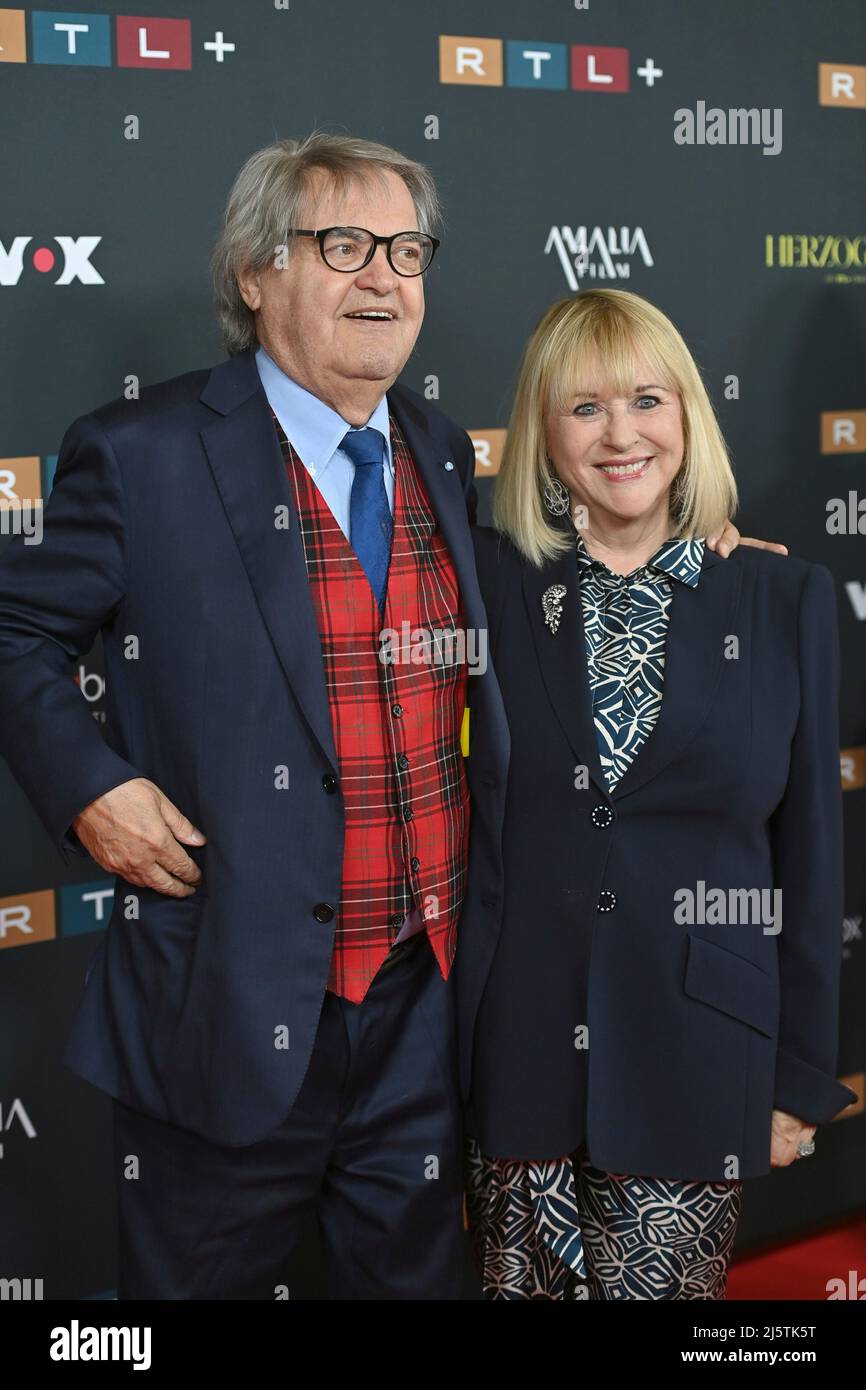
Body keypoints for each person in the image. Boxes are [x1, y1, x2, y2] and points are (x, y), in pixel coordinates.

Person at [0, 135, 761, 1301]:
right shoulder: (143, 451)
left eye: (406, 251)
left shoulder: (439, 451)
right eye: (342, 245)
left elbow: (567, 568)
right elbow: (17, 634)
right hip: (225, 997)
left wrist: (688, 557)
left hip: (424, 1000)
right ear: (255, 274)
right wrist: (89, 784)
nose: (384, 279)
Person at [455, 289, 858, 1300]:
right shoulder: (489, 583)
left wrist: (799, 1081)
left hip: (700, 1050)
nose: (620, 433)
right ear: (541, 434)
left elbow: (808, 861)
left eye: (646, 399)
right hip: (519, 1055)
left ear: (686, 415)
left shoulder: (781, 599)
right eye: (582, 408)